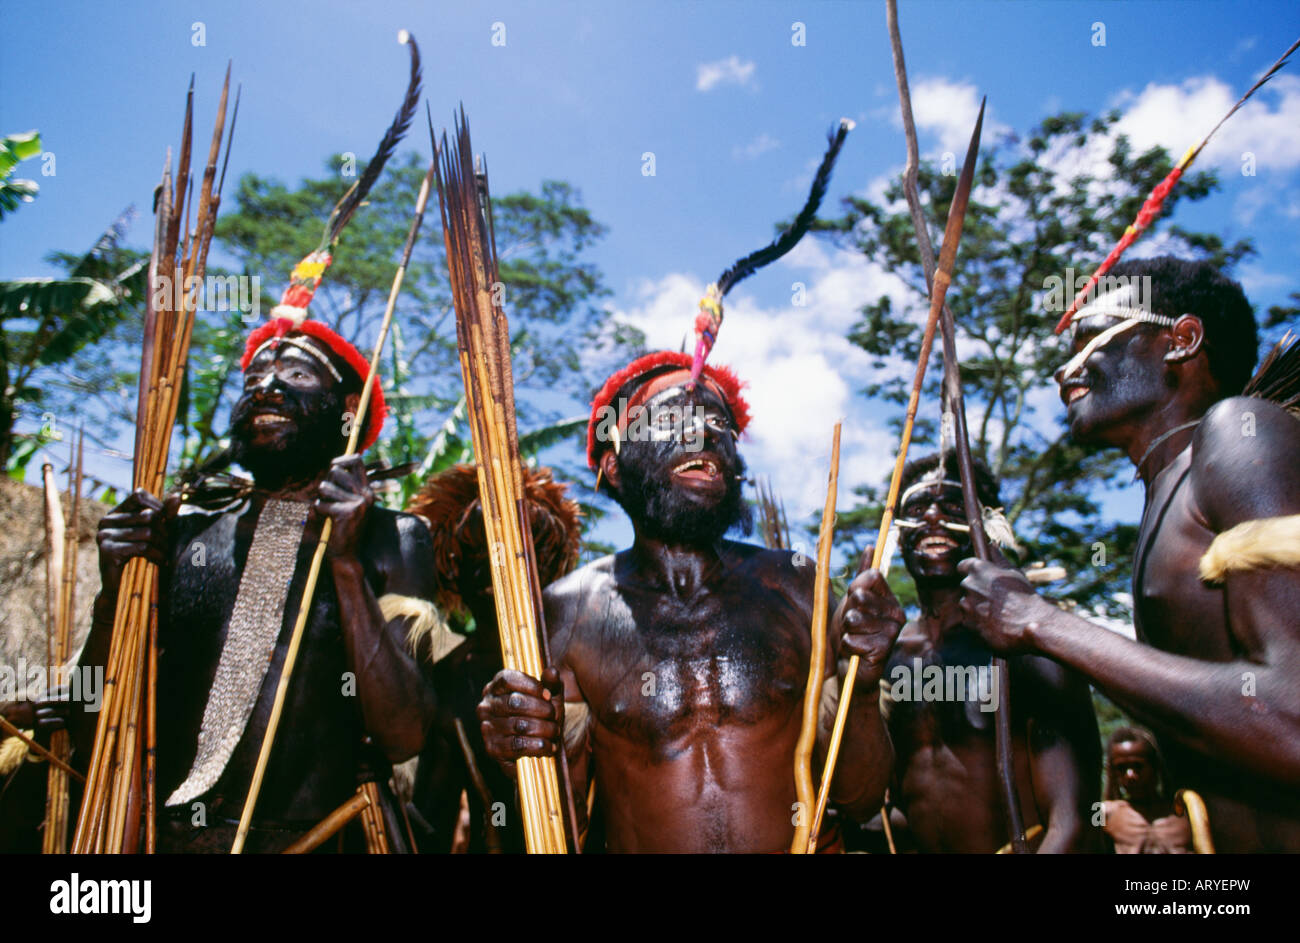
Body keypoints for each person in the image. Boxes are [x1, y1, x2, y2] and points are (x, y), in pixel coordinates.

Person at [476, 352, 898, 852]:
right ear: (614, 465)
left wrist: (864, 686)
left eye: (720, 421)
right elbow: (556, 823)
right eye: (673, 418)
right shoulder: (568, 613)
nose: (706, 431)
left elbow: (861, 798)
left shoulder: (797, 586)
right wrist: (519, 752)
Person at [957, 257, 1300, 852]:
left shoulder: (1238, 432)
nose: (1065, 369)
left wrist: (1040, 622)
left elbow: (1292, 718)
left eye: (1091, 335)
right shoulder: (1168, 493)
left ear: (1181, 340)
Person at [874, 453, 1100, 853]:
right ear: (898, 532)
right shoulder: (887, 657)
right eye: (917, 508)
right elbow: (887, 802)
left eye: (953, 506)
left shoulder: (1029, 642)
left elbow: (1072, 819)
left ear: (988, 527)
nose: (932, 517)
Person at [404, 463, 582, 852]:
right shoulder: (450, 676)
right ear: (454, 572)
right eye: (475, 554)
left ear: (542, 567)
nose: (493, 570)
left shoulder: (579, 654)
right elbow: (431, 821)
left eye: (508, 554)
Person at [1101, 726, 1192, 854]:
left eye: (1137, 766)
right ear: (1112, 772)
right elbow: (1083, 845)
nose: (1130, 775)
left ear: (1155, 765)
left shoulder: (1187, 811)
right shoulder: (1101, 811)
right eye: (1121, 768)